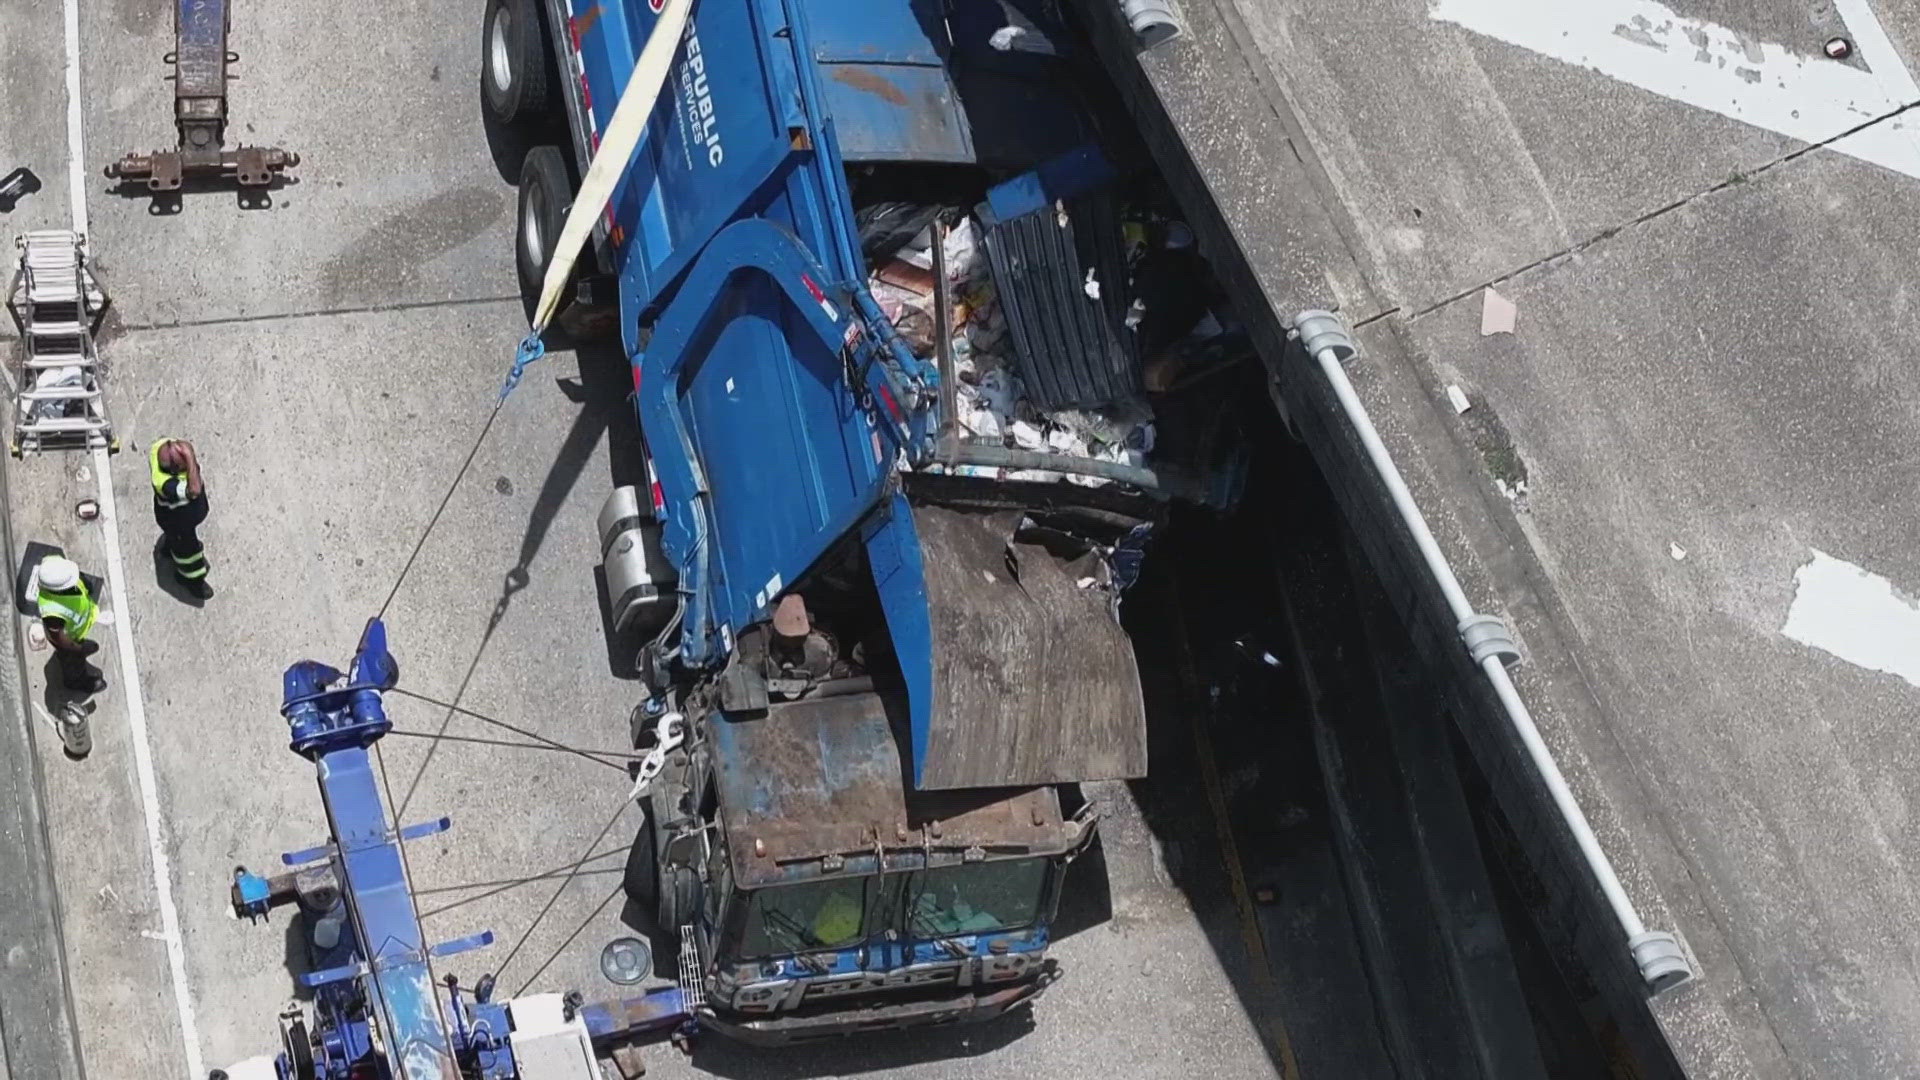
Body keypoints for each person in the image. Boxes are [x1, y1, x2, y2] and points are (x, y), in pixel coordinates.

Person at [150, 437, 211, 598]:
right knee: (188, 554)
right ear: (175, 470)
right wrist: (190, 458)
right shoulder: (168, 486)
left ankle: (169, 546)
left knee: (173, 539)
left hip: (171, 516)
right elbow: (194, 490)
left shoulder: (160, 448)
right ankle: (192, 580)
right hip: (179, 524)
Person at [36, 555, 105, 694]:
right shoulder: (53, 612)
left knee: (76, 651)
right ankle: (76, 681)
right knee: (73, 661)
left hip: (77, 631)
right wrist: (76, 648)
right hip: (68, 641)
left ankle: (78, 648)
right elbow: (58, 638)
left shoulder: (53, 564)